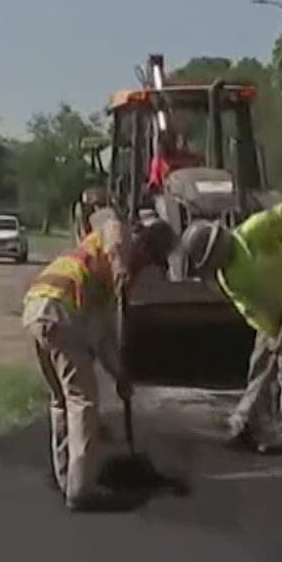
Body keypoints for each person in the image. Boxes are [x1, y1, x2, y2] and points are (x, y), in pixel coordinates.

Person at [22, 217, 179, 511]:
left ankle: (67, 477)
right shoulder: (120, 240)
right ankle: (81, 490)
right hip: (58, 309)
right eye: (149, 260)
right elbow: (113, 229)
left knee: (61, 400)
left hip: (39, 310)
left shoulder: (109, 285)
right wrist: (121, 265)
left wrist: (120, 376)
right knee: (83, 401)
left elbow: (106, 338)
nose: (145, 268)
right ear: (144, 246)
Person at [174, 203, 282, 452]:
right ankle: (249, 423)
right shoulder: (227, 279)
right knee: (260, 364)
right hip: (274, 316)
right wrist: (273, 333)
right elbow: (251, 311)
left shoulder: (250, 233)